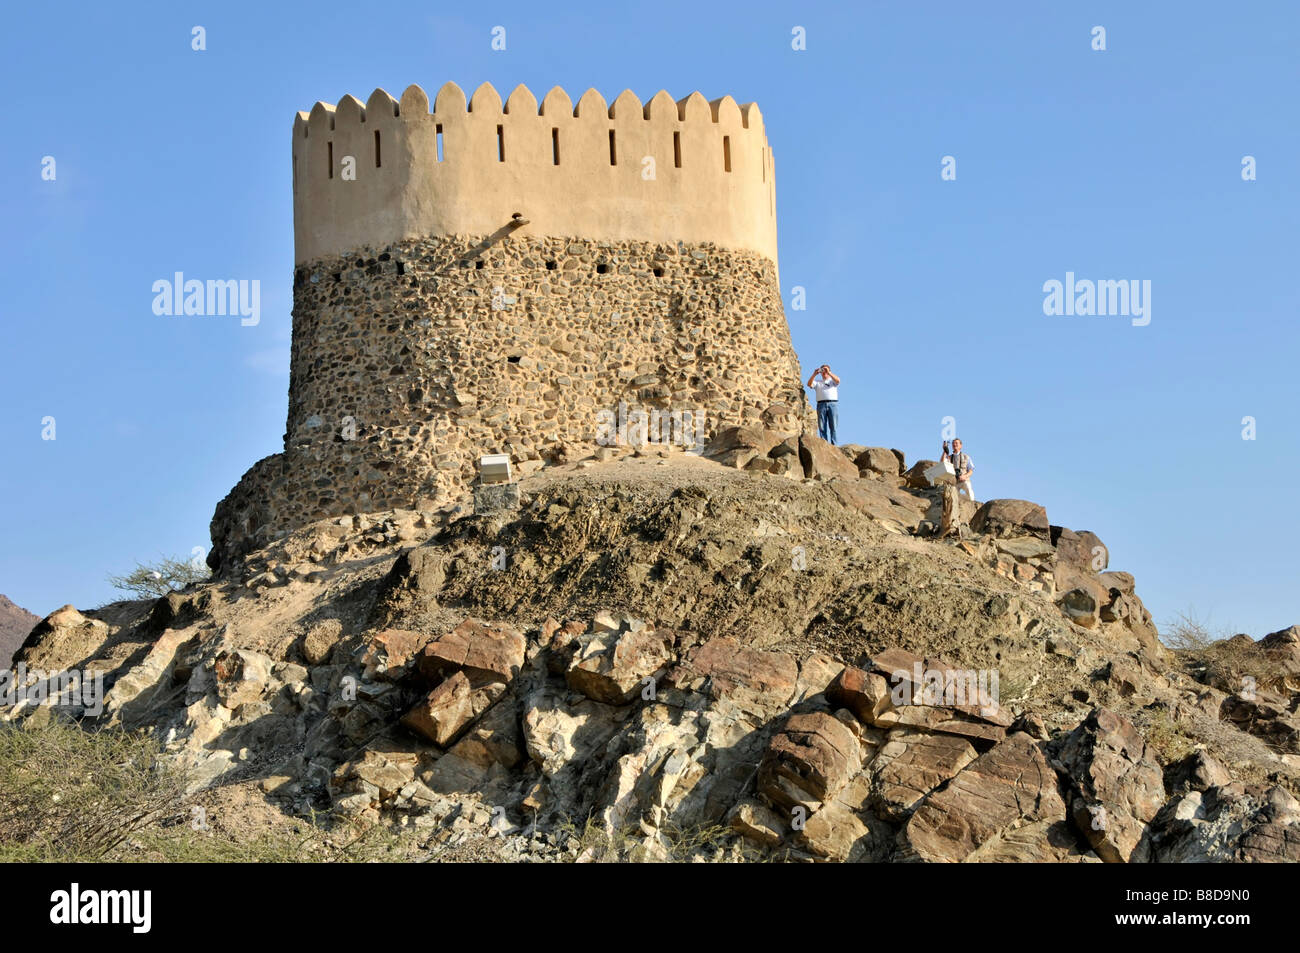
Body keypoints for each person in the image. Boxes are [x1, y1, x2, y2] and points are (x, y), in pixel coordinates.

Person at [806, 364, 840, 444]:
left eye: (825, 370)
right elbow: (809, 384)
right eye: (823, 370)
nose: (824, 372)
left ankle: (834, 444)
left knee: (833, 426)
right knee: (822, 426)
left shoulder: (832, 381)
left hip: (832, 403)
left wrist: (829, 372)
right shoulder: (818, 382)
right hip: (821, 404)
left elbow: (838, 380)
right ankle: (824, 444)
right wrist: (814, 374)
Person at [942, 438, 975, 503]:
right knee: (952, 499)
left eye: (956, 443)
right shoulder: (949, 457)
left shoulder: (966, 457)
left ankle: (973, 506)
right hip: (954, 482)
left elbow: (971, 470)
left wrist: (965, 476)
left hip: (964, 480)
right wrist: (944, 451)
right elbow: (942, 462)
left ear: (961, 445)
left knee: (970, 494)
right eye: (953, 443)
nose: (954, 444)